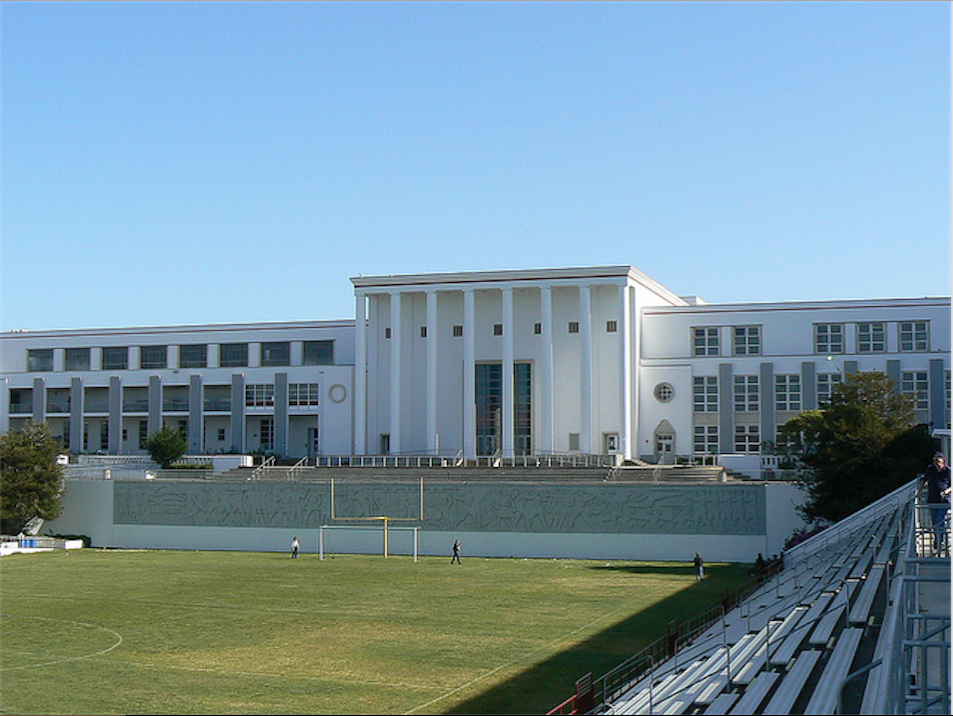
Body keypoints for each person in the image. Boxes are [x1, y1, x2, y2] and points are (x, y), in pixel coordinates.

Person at [918, 452, 951, 554]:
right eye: (935, 461)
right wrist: (919, 492)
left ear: (943, 461)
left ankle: (941, 541)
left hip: (944, 500)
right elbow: (924, 480)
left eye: (938, 461)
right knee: (935, 522)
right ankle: (938, 539)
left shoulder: (948, 471)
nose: (937, 463)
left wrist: (946, 491)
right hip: (932, 499)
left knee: (939, 520)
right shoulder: (930, 469)